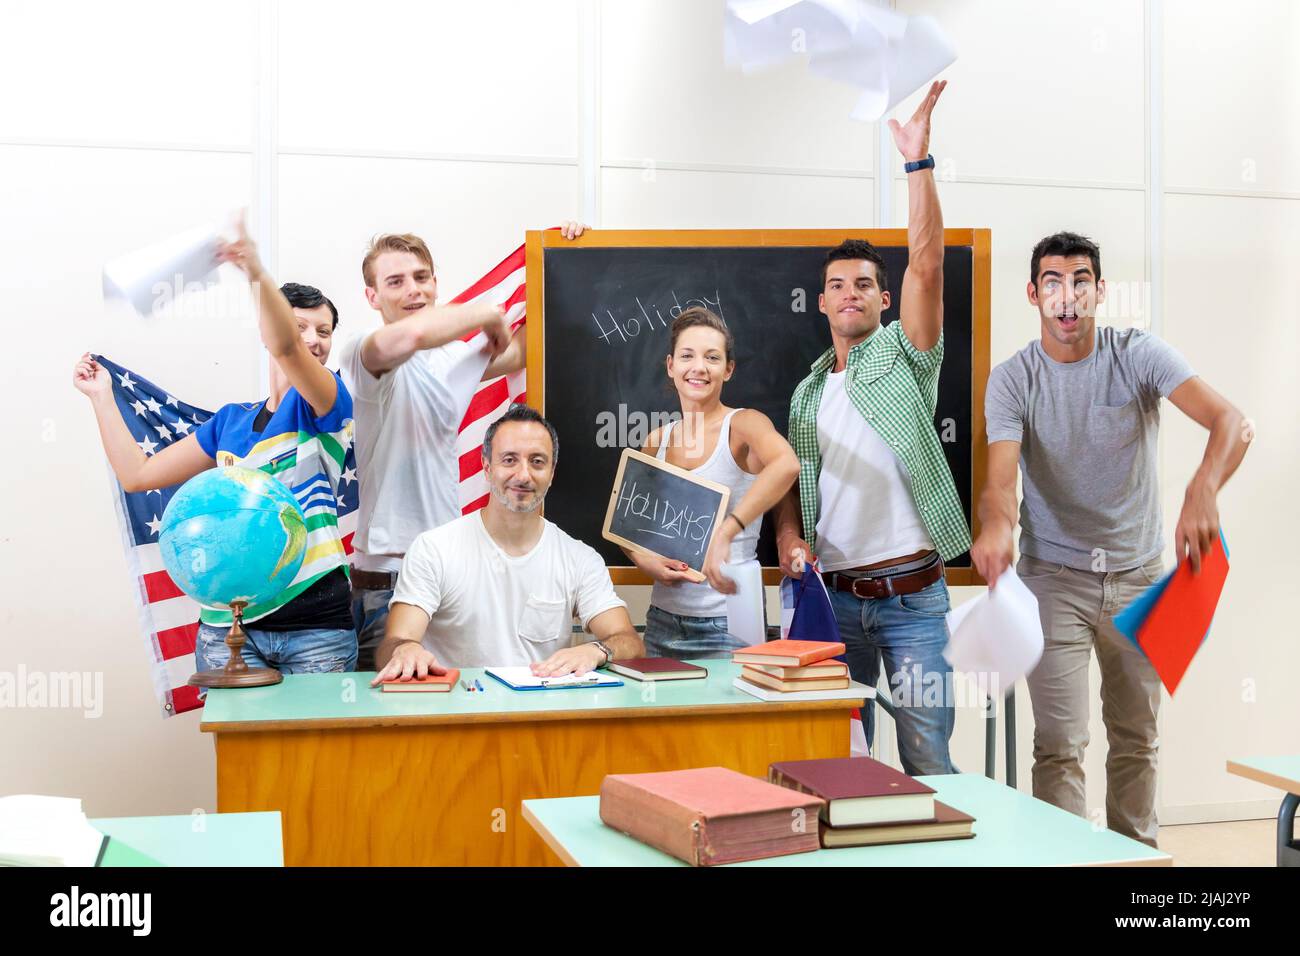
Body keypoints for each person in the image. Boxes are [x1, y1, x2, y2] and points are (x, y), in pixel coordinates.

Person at [971, 230, 1248, 846]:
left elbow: (1232, 422)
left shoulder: (1137, 355)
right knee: (1060, 745)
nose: (1066, 298)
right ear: (1033, 294)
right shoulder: (1013, 379)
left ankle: (1134, 861)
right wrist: (995, 527)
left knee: (1136, 736)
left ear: (1099, 291)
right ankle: (1067, 861)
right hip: (1054, 581)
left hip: (1140, 579)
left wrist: (1203, 489)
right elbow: (999, 484)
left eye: (1079, 283)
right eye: (1052, 283)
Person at [772, 81, 967, 776]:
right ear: (821, 300)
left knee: (928, 759)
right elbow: (792, 485)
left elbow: (930, 260)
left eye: (864, 284)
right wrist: (790, 539)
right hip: (836, 605)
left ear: (885, 298)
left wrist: (918, 164)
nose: (850, 294)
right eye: (838, 285)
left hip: (914, 599)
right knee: (839, 764)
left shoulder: (906, 356)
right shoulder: (805, 393)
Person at [74, 220, 357, 674]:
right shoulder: (230, 422)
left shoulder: (327, 403)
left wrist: (255, 272)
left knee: (314, 748)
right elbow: (138, 476)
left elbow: (287, 349)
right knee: (240, 749)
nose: (314, 340)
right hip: (228, 632)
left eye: (324, 332)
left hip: (315, 627)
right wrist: (102, 397)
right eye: (300, 325)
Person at [342, 223, 588, 670]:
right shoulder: (363, 353)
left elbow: (522, 352)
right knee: (392, 719)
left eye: (421, 277)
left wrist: (565, 254)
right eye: (395, 282)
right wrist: (487, 314)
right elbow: (413, 335)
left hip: (451, 571)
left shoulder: (451, 358)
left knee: (456, 710)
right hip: (388, 579)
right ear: (372, 297)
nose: (412, 290)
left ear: (435, 283)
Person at [370, 405, 643, 684]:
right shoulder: (434, 549)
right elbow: (395, 642)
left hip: (541, 717)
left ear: (552, 473)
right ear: (487, 468)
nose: (523, 475)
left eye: (537, 461)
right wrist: (405, 650)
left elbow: (630, 643)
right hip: (456, 716)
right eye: (509, 460)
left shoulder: (580, 558)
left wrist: (597, 650)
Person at [621, 307, 799, 658]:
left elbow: (787, 465)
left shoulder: (744, 425)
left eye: (712, 357)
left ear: (728, 369)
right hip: (663, 620)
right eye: (687, 356)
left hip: (730, 620)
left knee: (733, 714)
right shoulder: (656, 441)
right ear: (671, 366)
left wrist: (727, 530)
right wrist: (643, 560)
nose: (699, 367)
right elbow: (629, 530)